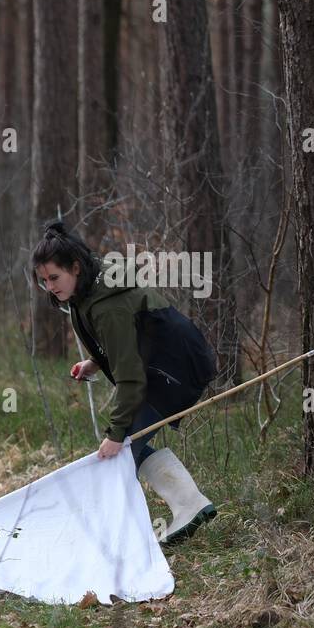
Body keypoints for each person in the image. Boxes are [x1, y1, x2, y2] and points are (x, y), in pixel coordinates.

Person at [31, 219, 218, 544]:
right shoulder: (86, 287)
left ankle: (117, 538)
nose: (50, 287)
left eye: (54, 277)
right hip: (159, 366)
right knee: (127, 446)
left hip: (175, 368)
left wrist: (117, 433)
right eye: (44, 280)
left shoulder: (106, 307)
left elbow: (131, 375)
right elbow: (125, 343)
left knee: (121, 450)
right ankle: (189, 503)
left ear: (75, 268)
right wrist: (96, 362)